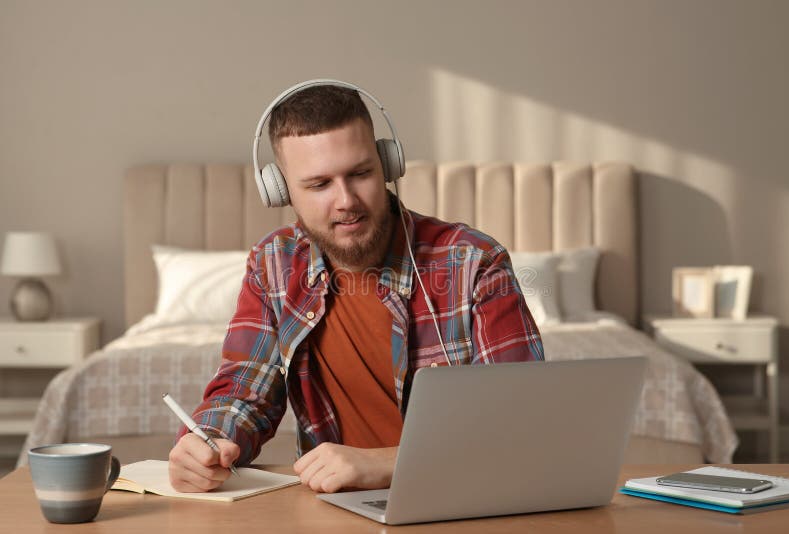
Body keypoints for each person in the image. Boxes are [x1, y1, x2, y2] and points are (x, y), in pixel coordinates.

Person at [168, 81, 545, 494]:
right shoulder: (272, 264)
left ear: (388, 165)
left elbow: (521, 425)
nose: (346, 200)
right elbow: (245, 392)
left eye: (360, 173)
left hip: (459, 499)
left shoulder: (475, 262)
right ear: (281, 191)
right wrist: (208, 441)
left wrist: (388, 463)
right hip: (334, 509)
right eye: (319, 185)